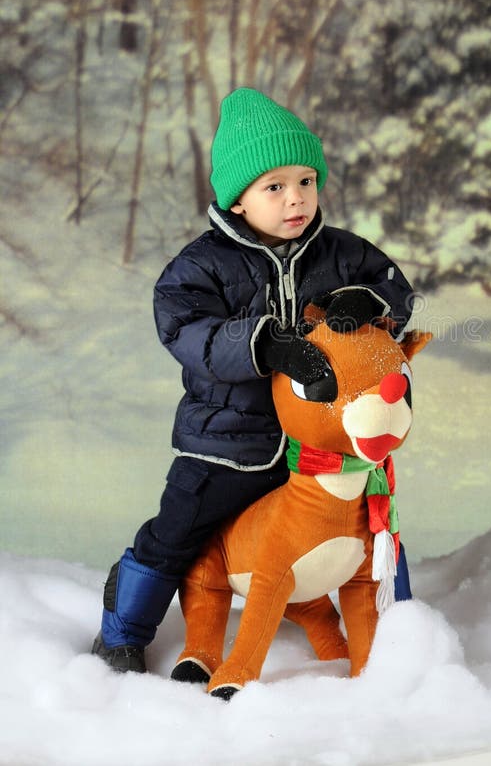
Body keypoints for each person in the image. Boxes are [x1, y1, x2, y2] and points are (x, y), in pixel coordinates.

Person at [92, 87, 415, 674]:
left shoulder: (343, 254)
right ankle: (123, 632)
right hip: (226, 441)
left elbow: (397, 290)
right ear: (238, 200)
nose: (296, 198)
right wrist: (261, 343)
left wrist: (370, 301)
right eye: (274, 187)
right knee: (178, 532)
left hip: (319, 443)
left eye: (306, 181)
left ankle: (403, 633)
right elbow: (184, 329)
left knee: (371, 524)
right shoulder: (201, 266)